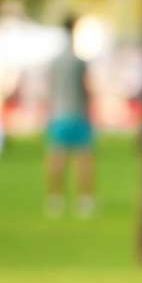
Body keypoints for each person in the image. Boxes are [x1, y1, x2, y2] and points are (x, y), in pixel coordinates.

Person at [45, 16, 95, 217]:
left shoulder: (55, 62)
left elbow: (51, 89)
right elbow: (86, 89)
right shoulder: (79, 62)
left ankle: (55, 198)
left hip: (59, 115)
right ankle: (85, 199)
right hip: (78, 114)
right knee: (84, 159)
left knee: (57, 158)